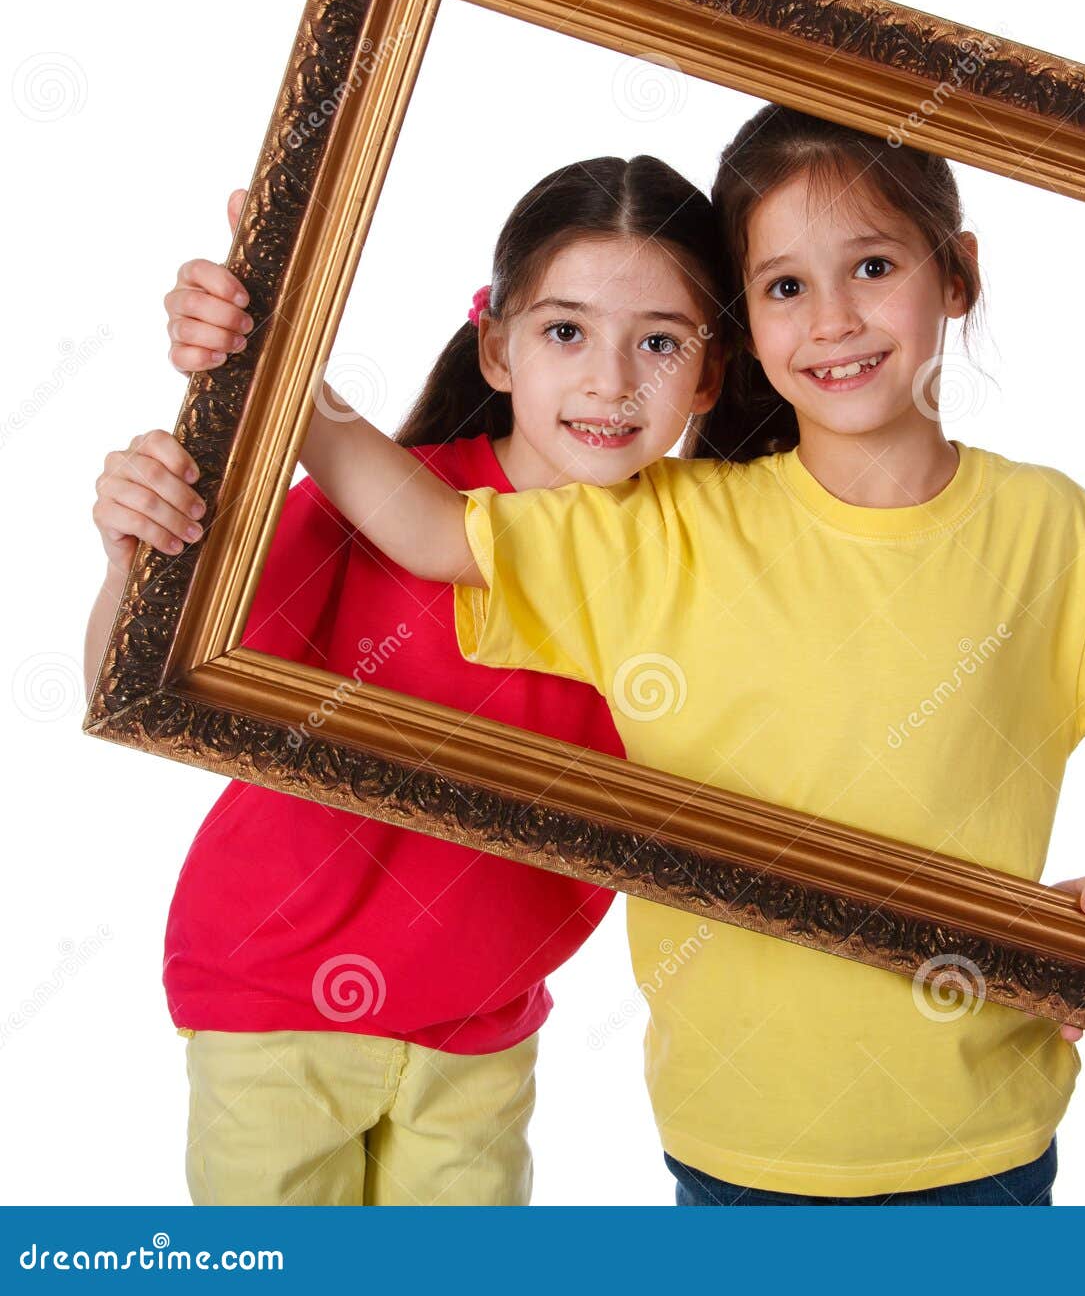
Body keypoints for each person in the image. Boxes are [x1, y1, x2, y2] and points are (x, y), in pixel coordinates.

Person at [152, 106, 1085, 1206]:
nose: (834, 320)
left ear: (956, 276)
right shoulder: (670, 531)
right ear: (745, 335)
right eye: (783, 285)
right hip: (734, 1146)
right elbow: (440, 527)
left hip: (975, 1140)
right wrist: (275, 361)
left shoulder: (1048, 535)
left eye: (873, 266)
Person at [84, 156, 738, 1204]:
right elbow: (144, 694)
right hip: (275, 1000)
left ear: (708, 376)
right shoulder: (386, 503)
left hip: (479, 1032)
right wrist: (133, 560)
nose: (611, 379)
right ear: (498, 348)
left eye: (659, 341)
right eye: (565, 331)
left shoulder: (705, 557)